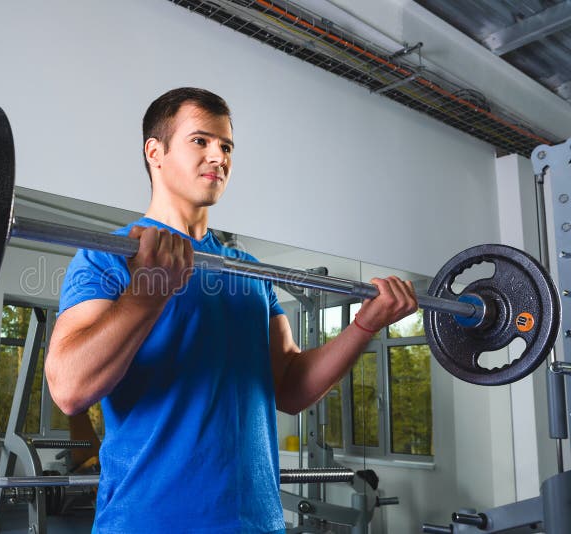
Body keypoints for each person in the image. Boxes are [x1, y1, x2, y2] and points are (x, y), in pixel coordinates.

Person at [46, 87, 418, 533]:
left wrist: (364, 325)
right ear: (155, 152)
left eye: (226, 146)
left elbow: (291, 386)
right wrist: (148, 294)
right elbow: (68, 386)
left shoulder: (251, 272)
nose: (218, 157)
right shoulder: (108, 257)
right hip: (149, 522)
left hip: (256, 523)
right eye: (200, 141)